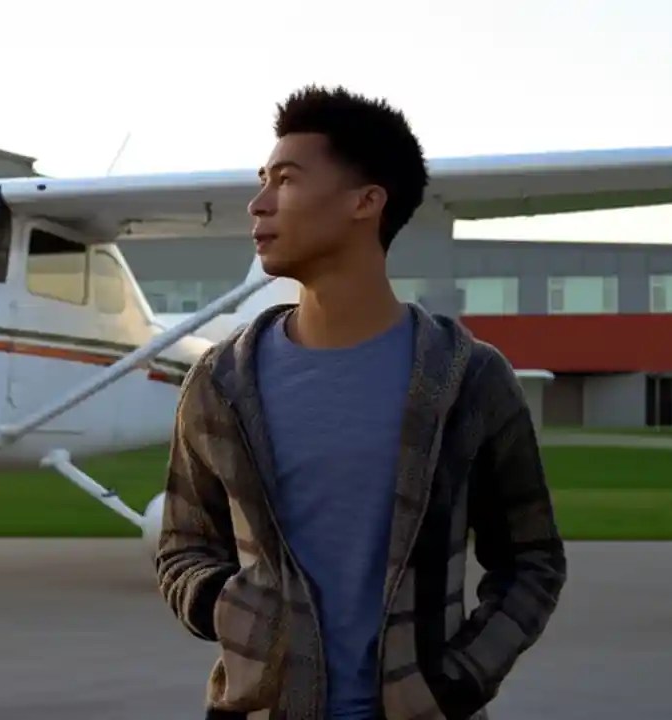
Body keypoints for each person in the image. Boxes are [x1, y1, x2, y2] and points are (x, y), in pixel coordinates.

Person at [153, 85, 567, 720]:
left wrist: (457, 682)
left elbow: (531, 561)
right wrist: (228, 608)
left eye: (285, 180)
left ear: (366, 202)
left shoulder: (469, 382)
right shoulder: (220, 383)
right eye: (262, 180)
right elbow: (183, 545)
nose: (258, 204)